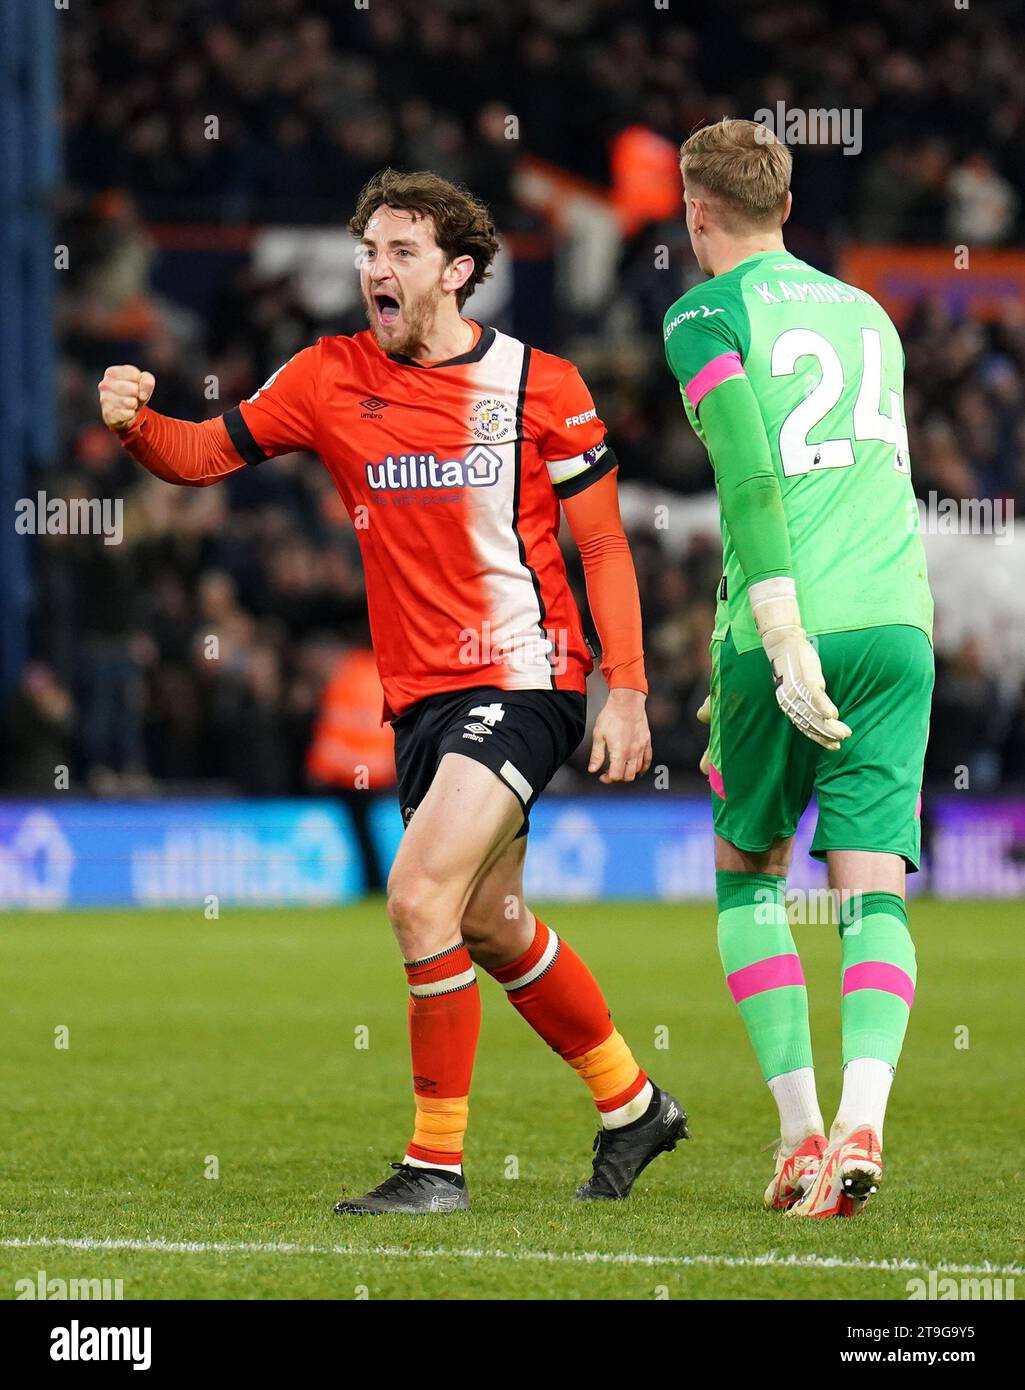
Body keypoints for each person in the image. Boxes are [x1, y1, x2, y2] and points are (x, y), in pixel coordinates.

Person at [99, 168, 687, 1215]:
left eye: (400, 251)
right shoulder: (326, 377)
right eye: (368, 249)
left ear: (457, 272)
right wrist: (140, 424)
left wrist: (626, 688)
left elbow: (600, 544)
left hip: (522, 674)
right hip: (421, 699)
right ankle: (632, 1104)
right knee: (495, 922)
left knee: (417, 896)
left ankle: (434, 1165)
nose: (375, 268)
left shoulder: (540, 384)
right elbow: (200, 456)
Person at [663, 120, 933, 1218]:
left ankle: (799, 1134)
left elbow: (748, 478)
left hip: (790, 621)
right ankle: (865, 1111)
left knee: (747, 867)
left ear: (695, 212)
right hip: (896, 623)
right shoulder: (866, 311)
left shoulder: (704, 312)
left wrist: (774, 623)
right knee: (869, 885)